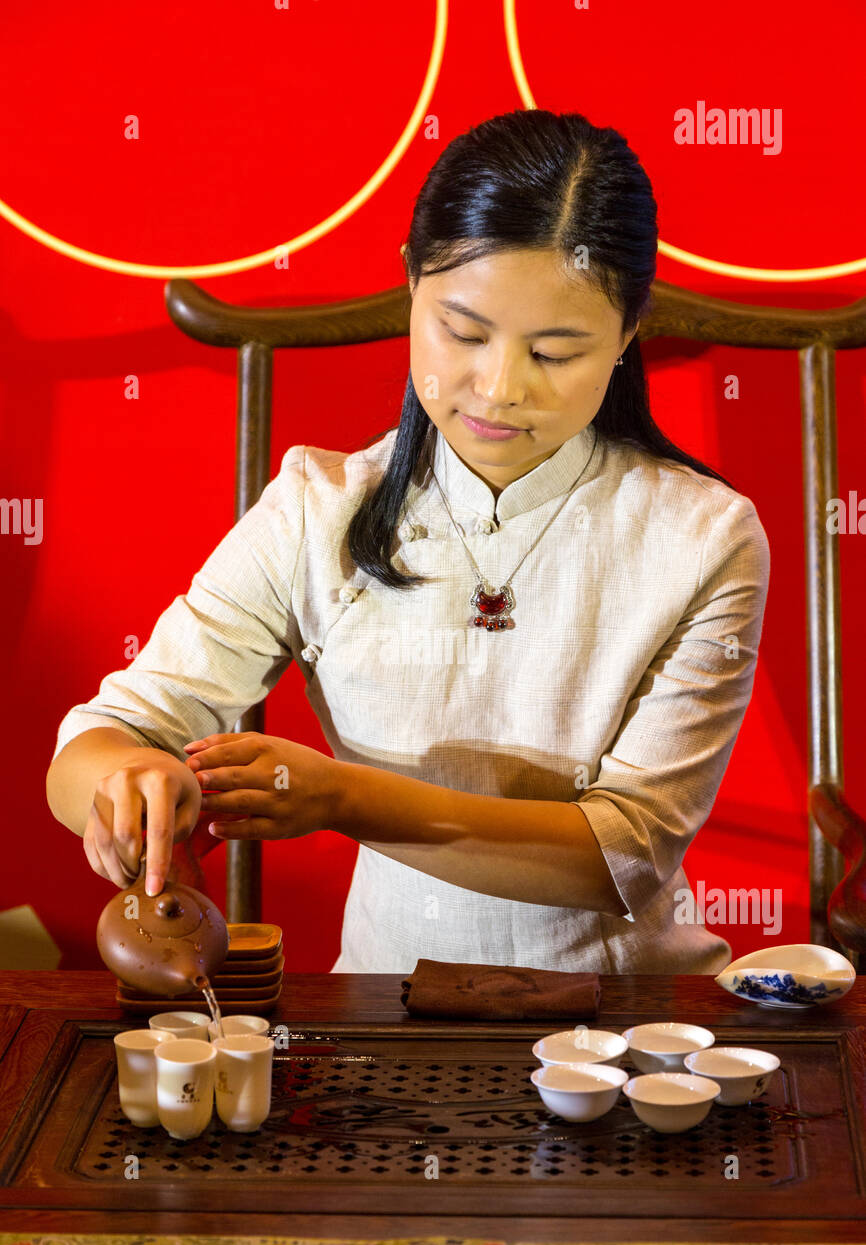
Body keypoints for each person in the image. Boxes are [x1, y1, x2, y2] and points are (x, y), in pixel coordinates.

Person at [46, 108, 770, 974]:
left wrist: (343, 797)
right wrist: (124, 782)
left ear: (629, 330)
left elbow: (627, 851)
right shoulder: (318, 511)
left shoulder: (700, 536)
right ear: (409, 285)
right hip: (387, 1018)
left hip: (635, 1036)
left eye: (556, 350)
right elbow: (100, 738)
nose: (499, 388)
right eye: (463, 333)